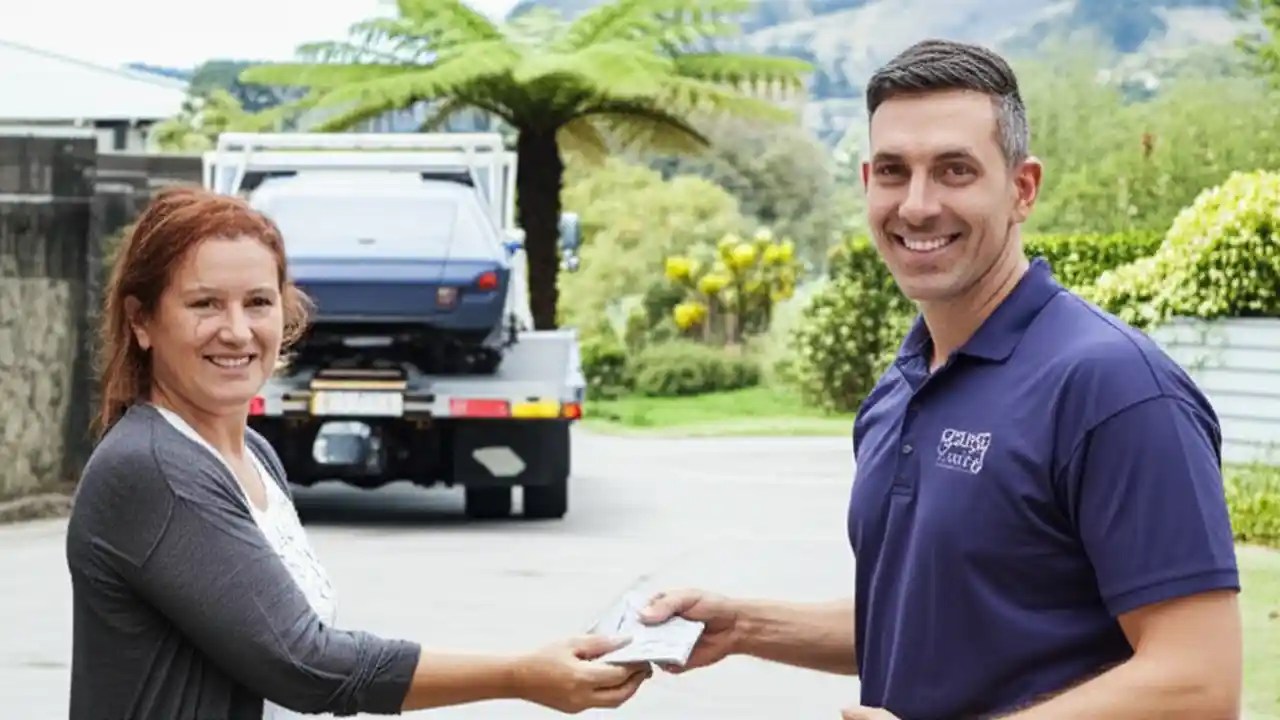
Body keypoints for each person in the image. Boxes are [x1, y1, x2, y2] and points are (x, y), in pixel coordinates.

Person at [641, 38, 1243, 720]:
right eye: (893, 172)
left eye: (955, 170)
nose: (918, 205)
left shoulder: (1115, 388)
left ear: (1022, 189)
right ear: (867, 183)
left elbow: (1199, 681)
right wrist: (745, 626)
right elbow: (934, 622)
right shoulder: (899, 389)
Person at [64, 186, 650, 719]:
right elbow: (307, 664)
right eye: (205, 305)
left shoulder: (255, 456)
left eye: (258, 302)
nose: (238, 330)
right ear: (142, 321)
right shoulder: (153, 467)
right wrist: (519, 676)